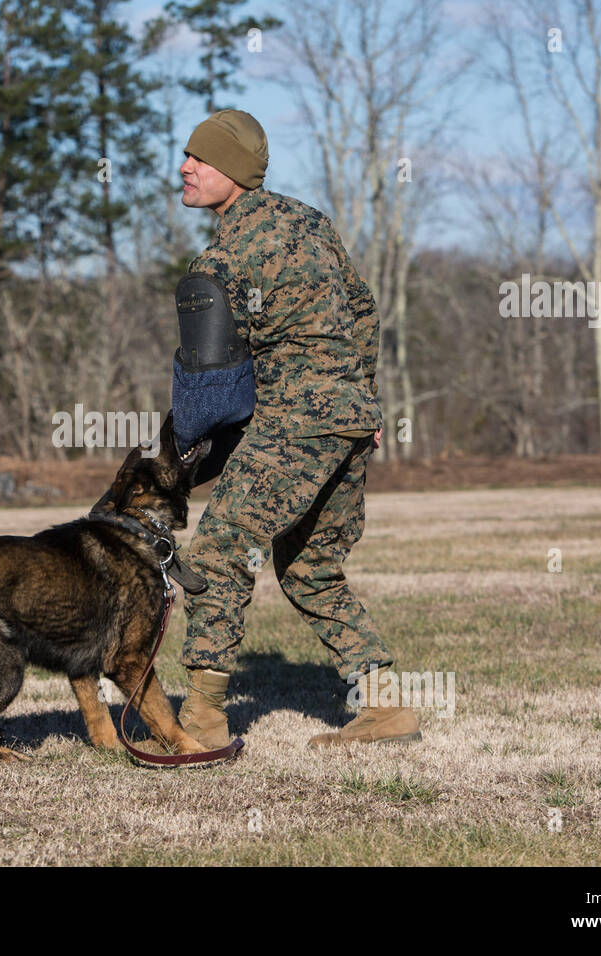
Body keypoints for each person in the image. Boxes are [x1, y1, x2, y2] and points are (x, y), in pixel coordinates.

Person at [165, 109, 420, 750]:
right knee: (310, 565)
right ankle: (382, 706)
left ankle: (201, 720)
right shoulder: (310, 221)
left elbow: (209, 392)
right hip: (352, 418)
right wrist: (364, 398)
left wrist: (178, 455)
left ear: (237, 173)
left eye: (201, 159)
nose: (185, 167)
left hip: (296, 420)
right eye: (187, 155)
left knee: (219, 551)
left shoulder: (219, 260)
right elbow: (362, 309)